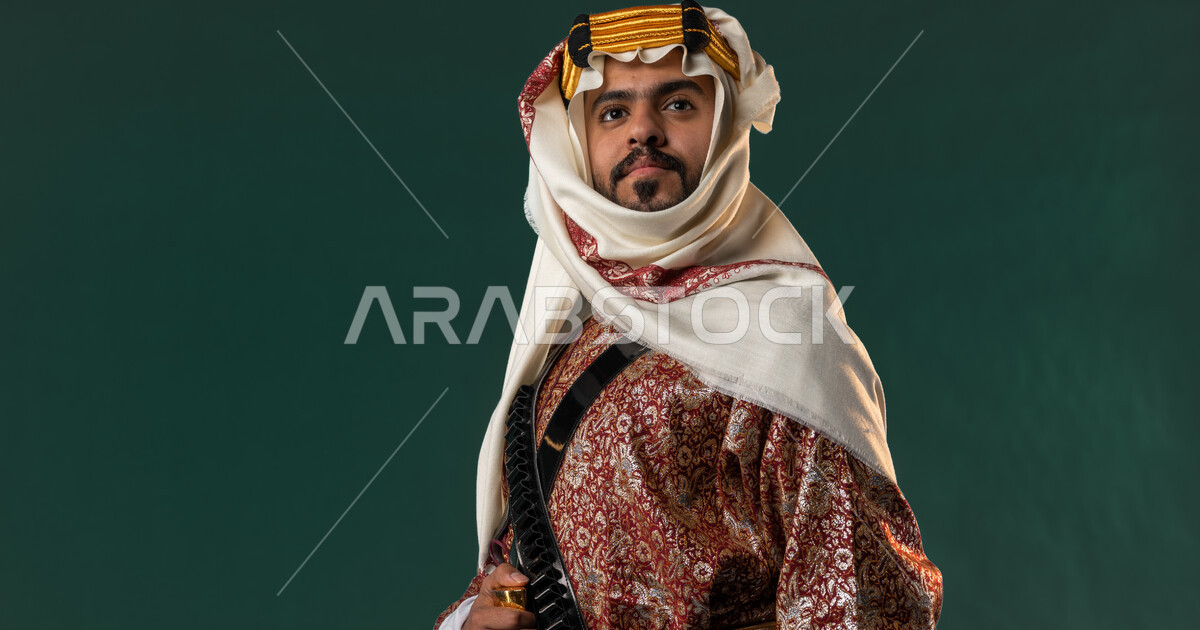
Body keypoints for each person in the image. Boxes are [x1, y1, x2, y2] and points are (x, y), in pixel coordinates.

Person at [435, 3, 943, 628]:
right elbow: (519, 560)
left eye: (677, 104)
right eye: (613, 111)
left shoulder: (791, 347)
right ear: (581, 143)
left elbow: (862, 610)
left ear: (724, 125)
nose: (641, 131)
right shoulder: (574, 335)